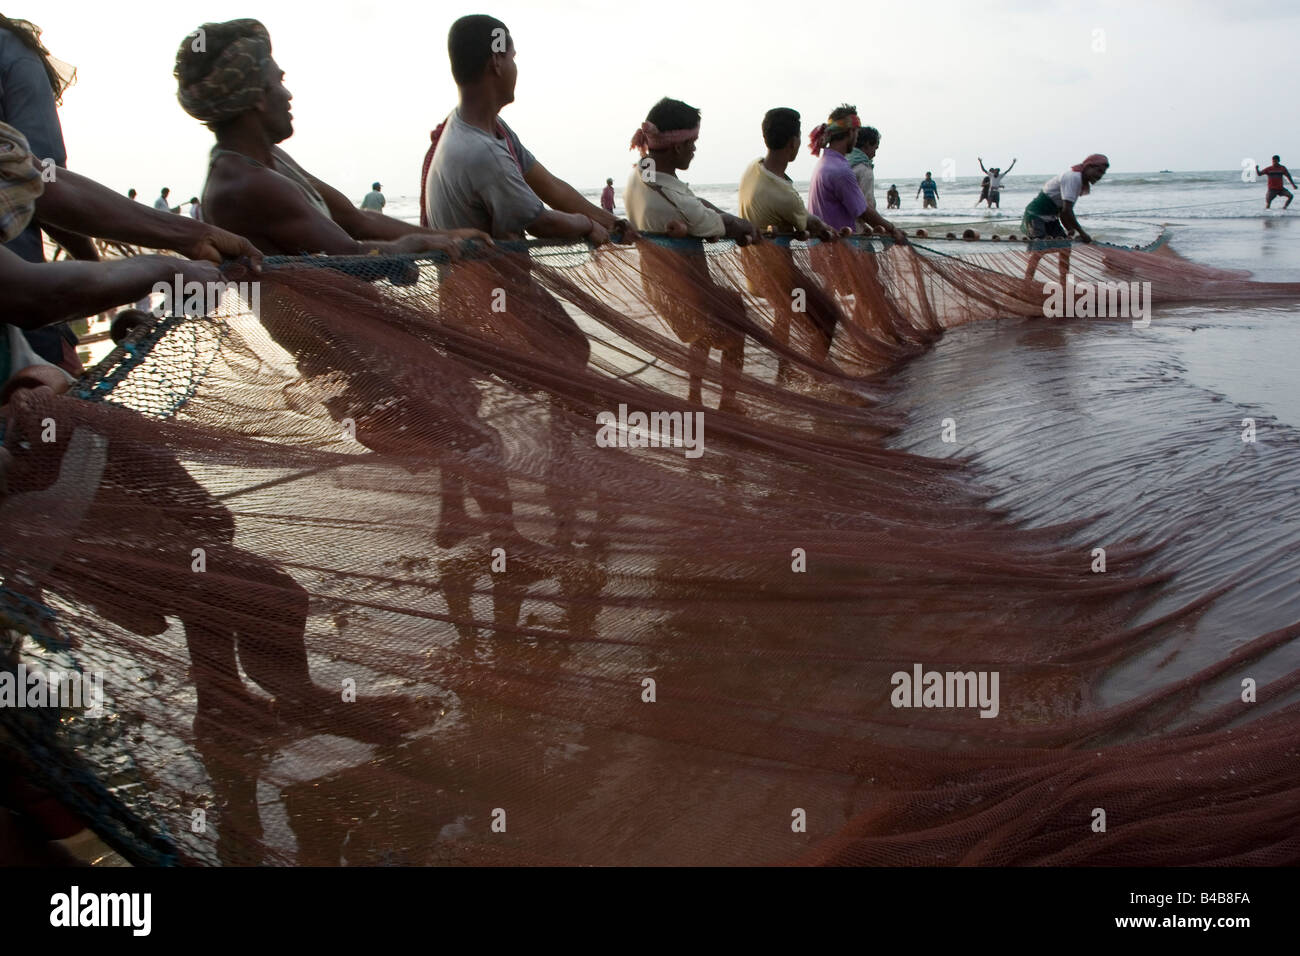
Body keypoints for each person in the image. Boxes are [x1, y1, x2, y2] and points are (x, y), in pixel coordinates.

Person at [175, 19, 479, 258]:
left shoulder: (272, 158)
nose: (288, 94)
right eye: (279, 81)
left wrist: (447, 236)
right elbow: (351, 256)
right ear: (257, 97)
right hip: (327, 338)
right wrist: (410, 244)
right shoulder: (244, 185)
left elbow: (357, 221)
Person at [421, 16, 624, 246]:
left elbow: (551, 187)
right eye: (513, 58)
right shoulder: (482, 151)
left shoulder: (489, 128)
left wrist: (612, 222)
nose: (515, 68)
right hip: (490, 282)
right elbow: (541, 223)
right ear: (496, 61)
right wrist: (586, 224)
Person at [625, 97, 756, 412]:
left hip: (666, 283)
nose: (695, 150)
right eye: (692, 143)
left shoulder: (643, 173)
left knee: (706, 327)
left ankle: (695, 396)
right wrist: (741, 227)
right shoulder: (668, 197)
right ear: (677, 146)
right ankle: (728, 402)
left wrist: (735, 221)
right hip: (682, 289)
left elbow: (698, 205)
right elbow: (710, 221)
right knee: (735, 317)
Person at [807, 105, 907, 241]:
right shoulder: (841, 171)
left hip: (822, 248)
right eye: (857, 132)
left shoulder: (823, 164)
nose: (857, 137)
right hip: (839, 251)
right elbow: (863, 211)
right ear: (851, 132)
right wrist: (892, 229)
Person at [1021, 153, 1108, 242]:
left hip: (1051, 217)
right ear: (1088, 167)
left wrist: (1069, 228)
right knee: (1040, 246)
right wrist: (1082, 233)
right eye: (1099, 171)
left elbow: (1063, 210)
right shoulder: (1073, 177)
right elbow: (1067, 210)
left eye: (1103, 173)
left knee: (1065, 245)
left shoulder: (1079, 181)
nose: (1100, 176)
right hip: (1036, 216)